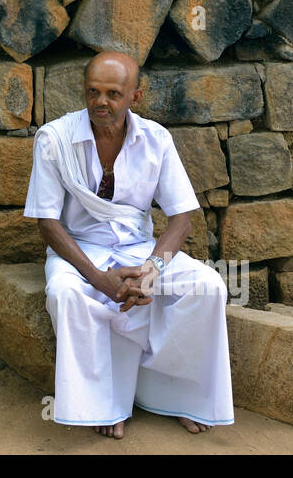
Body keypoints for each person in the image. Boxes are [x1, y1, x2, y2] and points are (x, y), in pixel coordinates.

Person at [23, 50, 234, 439]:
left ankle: (179, 398)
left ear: (135, 96)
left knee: (208, 287)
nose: (100, 102)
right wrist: (99, 279)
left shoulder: (156, 140)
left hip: (141, 251)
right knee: (67, 294)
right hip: (80, 252)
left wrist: (153, 270)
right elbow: (48, 224)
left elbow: (181, 219)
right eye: (93, 92)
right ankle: (102, 406)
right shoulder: (55, 139)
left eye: (113, 94)